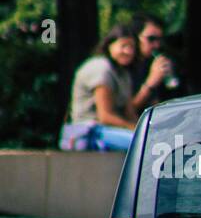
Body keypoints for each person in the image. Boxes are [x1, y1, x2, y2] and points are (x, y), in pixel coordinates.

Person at [63, 24, 140, 152]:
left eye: (132, 47)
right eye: (124, 46)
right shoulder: (101, 68)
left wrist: (144, 130)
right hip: (88, 131)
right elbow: (105, 116)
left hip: (108, 130)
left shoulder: (123, 73)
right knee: (139, 144)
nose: (129, 51)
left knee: (149, 141)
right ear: (110, 45)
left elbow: (129, 113)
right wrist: (132, 128)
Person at [128, 13, 176, 112]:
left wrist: (169, 79)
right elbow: (127, 111)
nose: (157, 45)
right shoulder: (123, 65)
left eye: (159, 39)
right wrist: (151, 82)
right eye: (151, 39)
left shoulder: (151, 62)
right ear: (135, 37)